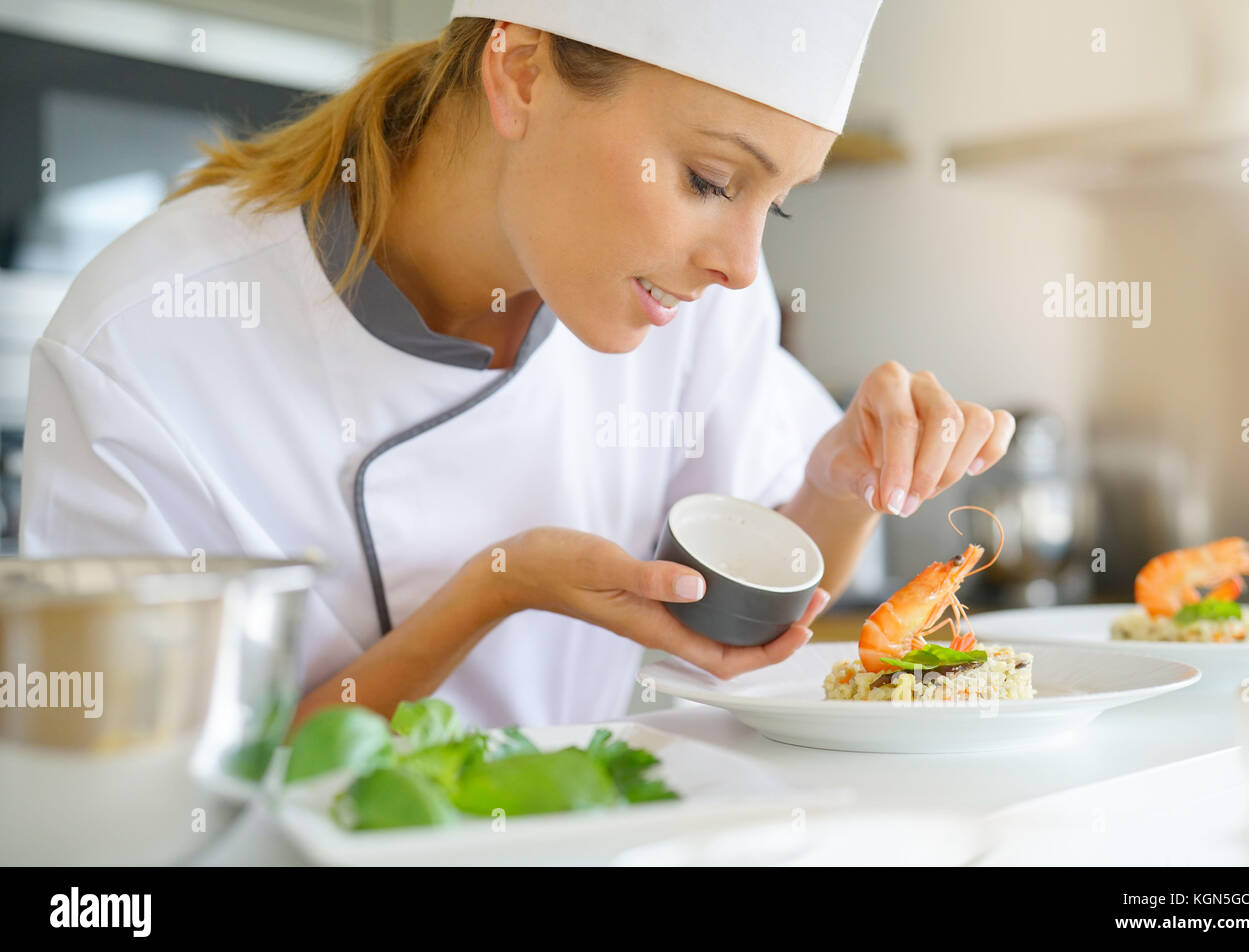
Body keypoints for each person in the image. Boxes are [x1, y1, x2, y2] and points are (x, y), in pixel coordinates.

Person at [19, 0, 1014, 730]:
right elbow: (150, 819)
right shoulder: (146, 341)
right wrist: (495, 589)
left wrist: (837, 490)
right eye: (711, 180)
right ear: (521, 69)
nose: (741, 263)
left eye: (776, 202)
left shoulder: (694, 302)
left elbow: (752, 630)